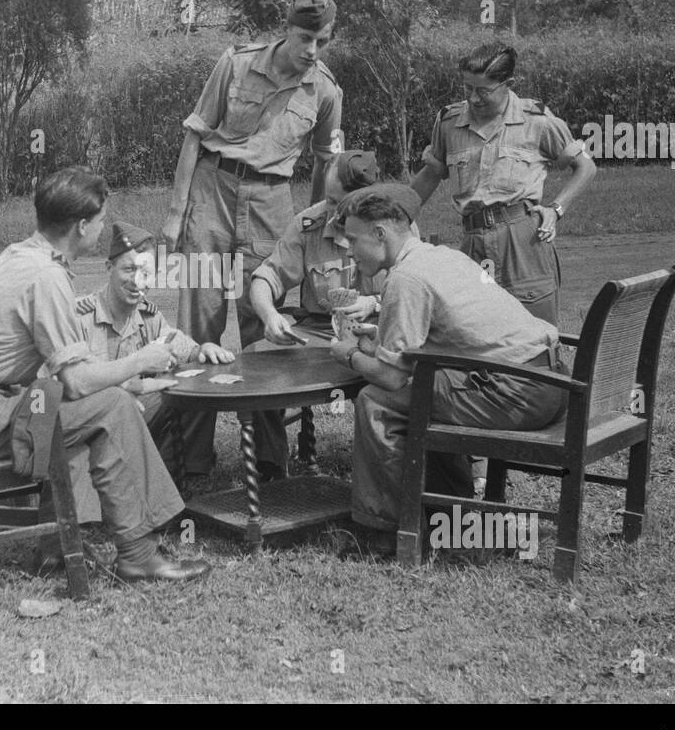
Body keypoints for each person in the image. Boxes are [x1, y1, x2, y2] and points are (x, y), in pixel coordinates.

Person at [0, 167, 210, 583]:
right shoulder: (46, 277)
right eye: (101, 220)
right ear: (81, 226)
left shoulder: (22, 254)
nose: (103, 226)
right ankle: (138, 553)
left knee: (78, 410)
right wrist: (143, 360)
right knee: (113, 406)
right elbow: (79, 382)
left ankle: (56, 549)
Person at [158, 0, 345, 482]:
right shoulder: (235, 64)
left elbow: (328, 162)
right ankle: (190, 458)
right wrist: (177, 215)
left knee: (266, 329)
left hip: (272, 205)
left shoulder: (325, 91)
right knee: (199, 324)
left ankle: (270, 462)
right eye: (305, 38)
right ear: (287, 29)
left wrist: (314, 227)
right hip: (212, 197)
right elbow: (195, 134)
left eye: (322, 41)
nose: (312, 50)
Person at [329, 184, 569, 558]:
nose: (349, 250)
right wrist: (381, 337)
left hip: (519, 393)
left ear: (381, 234)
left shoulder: (407, 279)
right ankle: (449, 516)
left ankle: (388, 534)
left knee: (378, 401)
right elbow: (455, 333)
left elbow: (391, 377)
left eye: (354, 239)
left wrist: (346, 354)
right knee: (425, 390)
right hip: (550, 381)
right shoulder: (441, 257)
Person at [408, 42, 597, 326]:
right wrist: (393, 214)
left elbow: (585, 167)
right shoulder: (448, 122)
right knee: (476, 334)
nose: (473, 98)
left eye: (483, 90)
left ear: (508, 84)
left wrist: (556, 209)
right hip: (473, 242)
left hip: (523, 243)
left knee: (536, 336)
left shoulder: (537, 121)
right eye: (467, 89)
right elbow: (430, 174)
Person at [67, 221, 236, 522]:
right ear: (109, 267)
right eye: (129, 270)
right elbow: (73, 386)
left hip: (128, 413)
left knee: (183, 393)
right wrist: (124, 391)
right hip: (89, 420)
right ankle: (95, 513)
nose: (137, 281)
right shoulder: (81, 317)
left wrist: (201, 350)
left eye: (146, 272)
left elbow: (176, 343)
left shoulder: (147, 314)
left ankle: (167, 480)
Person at [251, 149, 417, 344]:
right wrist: (270, 315)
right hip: (321, 331)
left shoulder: (397, 225)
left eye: (338, 203)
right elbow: (267, 277)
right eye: (329, 199)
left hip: (381, 330)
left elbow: (415, 295)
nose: (331, 210)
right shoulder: (307, 225)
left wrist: (375, 303)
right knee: (259, 355)